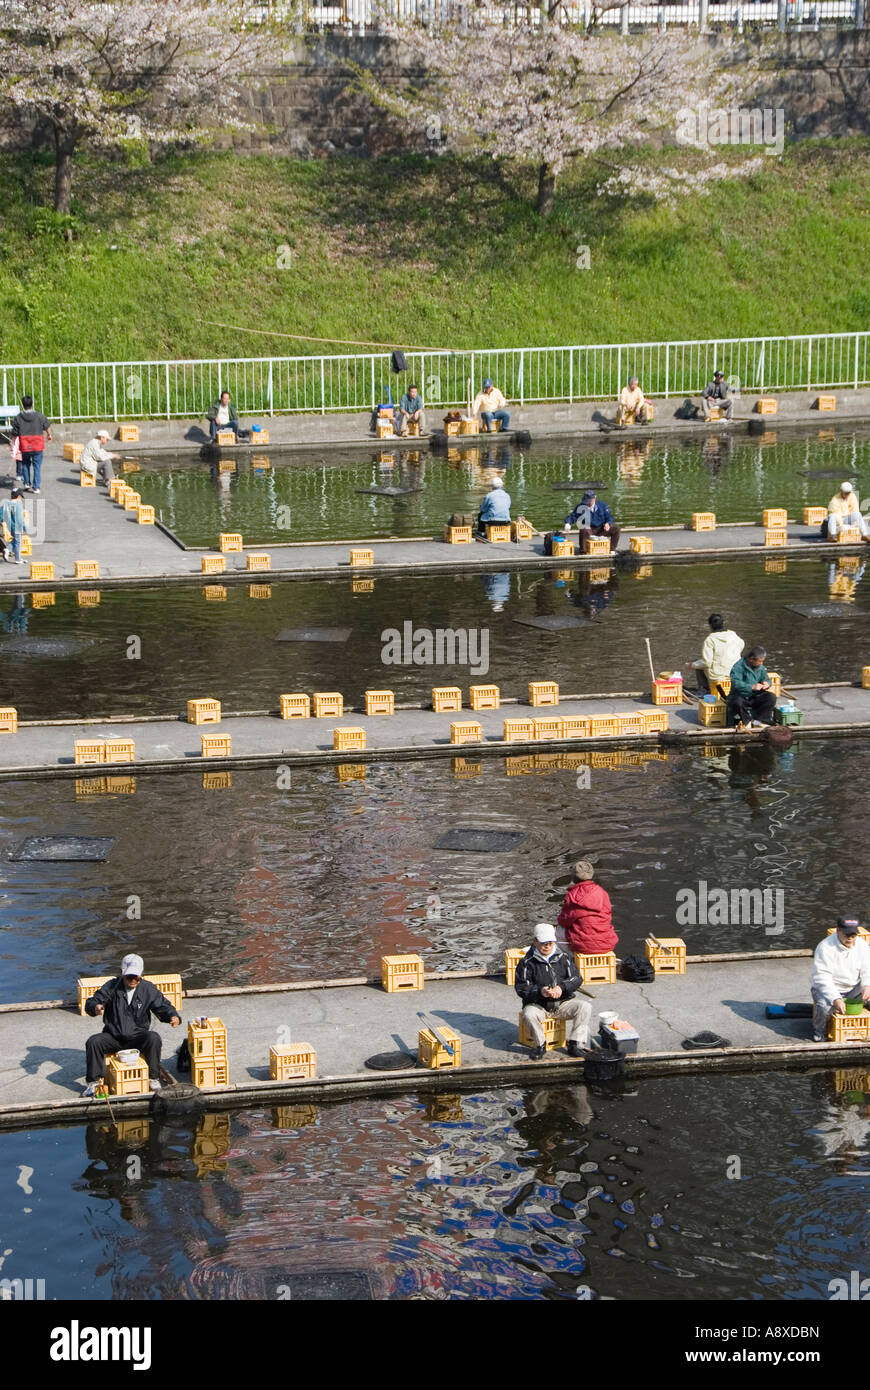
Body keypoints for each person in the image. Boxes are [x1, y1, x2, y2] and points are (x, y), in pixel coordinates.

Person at [82, 953, 181, 1096]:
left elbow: (162, 1005)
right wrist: (96, 1007)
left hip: (138, 1037)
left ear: (141, 975)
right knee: (93, 1042)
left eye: (137, 977)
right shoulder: (111, 986)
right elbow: (92, 1001)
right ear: (122, 974)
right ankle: (94, 1083)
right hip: (113, 1037)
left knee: (153, 1038)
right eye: (129, 977)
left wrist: (173, 1016)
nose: (133, 980)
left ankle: (153, 1078)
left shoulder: (148, 989)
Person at [515, 924, 591, 1060]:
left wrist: (561, 987)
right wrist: (540, 991)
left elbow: (577, 979)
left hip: (562, 1003)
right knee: (529, 1014)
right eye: (543, 943)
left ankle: (575, 1044)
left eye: (550, 942)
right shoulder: (526, 963)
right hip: (538, 1005)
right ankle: (540, 1045)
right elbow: (521, 988)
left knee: (585, 1007)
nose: (547, 946)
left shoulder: (564, 958)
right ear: (535, 941)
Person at [810, 917, 870, 1043]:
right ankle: (820, 1032)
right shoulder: (825, 947)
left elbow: (866, 968)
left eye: (853, 935)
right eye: (847, 935)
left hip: (853, 987)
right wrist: (835, 998)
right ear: (838, 931)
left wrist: (866, 986)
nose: (850, 939)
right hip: (828, 988)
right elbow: (822, 978)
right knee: (824, 1007)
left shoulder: (862, 945)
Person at [557, 860, 618, 955]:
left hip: (582, 946)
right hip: (606, 943)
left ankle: (568, 958)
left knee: (558, 930)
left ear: (573, 877)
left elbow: (564, 921)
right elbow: (608, 916)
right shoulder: (602, 893)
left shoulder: (573, 895)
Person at [686, 613, 745, 695]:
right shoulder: (733, 635)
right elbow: (742, 645)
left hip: (719, 676)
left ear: (710, 626)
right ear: (723, 623)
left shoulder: (710, 640)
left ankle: (704, 690)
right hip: (736, 672)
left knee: (698, 663)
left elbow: (706, 662)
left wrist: (691, 665)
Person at [726, 645, 776, 728]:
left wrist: (767, 683)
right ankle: (747, 721)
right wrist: (751, 687)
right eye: (759, 661)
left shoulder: (760, 667)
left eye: (762, 661)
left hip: (754, 695)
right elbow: (736, 683)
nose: (761, 663)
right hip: (740, 695)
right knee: (737, 702)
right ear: (751, 659)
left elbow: (766, 678)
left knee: (771, 697)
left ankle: (762, 720)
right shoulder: (738, 666)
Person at [11, 395, 52, 494]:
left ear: (23, 406)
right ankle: (36, 487)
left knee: (25, 464)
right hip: (38, 444)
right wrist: (49, 434)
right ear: (32, 404)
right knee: (37, 466)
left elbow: (15, 434)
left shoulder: (18, 418)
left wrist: (13, 444)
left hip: (25, 445)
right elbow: (47, 425)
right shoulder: (39, 416)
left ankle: (27, 483)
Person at [563, 488, 621, 553]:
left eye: (589, 501)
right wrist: (568, 523)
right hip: (589, 530)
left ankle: (611, 549)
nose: (587, 503)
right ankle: (583, 551)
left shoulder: (603, 505)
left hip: (601, 529)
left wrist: (608, 523)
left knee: (616, 529)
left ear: (594, 498)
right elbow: (573, 516)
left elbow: (609, 517)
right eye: (586, 501)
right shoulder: (581, 507)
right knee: (583, 528)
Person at [0, 489, 27, 563]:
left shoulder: (6, 504)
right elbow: (19, 519)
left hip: (10, 527)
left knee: (15, 541)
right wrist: (25, 527)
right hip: (17, 527)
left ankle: (8, 550)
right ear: (18, 496)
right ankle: (17, 558)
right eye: (21, 497)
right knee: (18, 543)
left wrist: (1, 521)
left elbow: (1, 514)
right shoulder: (18, 506)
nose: (20, 499)